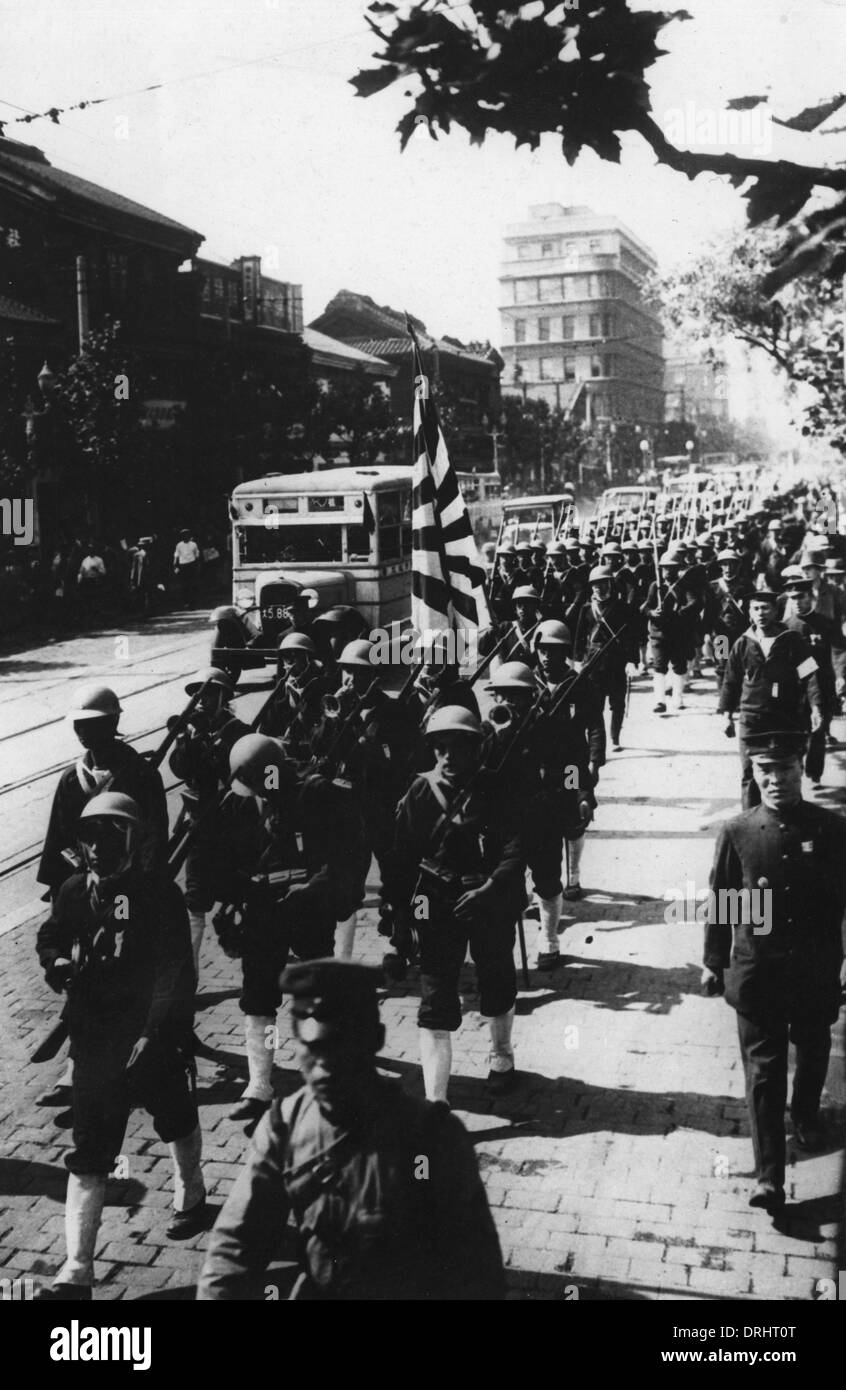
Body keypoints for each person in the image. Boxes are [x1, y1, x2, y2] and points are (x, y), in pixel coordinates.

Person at [196, 960, 505, 1300]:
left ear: (374, 1040)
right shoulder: (285, 1124)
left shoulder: (431, 1135)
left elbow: (476, 1271)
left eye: (336, 1049)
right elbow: (239, 1242)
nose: (323, 1070)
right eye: (311, 1051)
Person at [34, 793, 206, 1300]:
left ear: (132, 840)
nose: (96, 848)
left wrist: (154, 1033)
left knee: (174, 1115)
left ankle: (191, 1194)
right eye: (89, 838)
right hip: (95, 1041)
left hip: (149, 1036)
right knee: (90, 1148)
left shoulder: (158, 894)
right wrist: (57, 963)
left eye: (110, 837)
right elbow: (50, 936)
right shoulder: (71, 891)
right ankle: (77, 1270)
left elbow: (176, 969)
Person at [702, 732, 846, 1213]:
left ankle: (805, 1113)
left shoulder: (832, 830)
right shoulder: (738, 831)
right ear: (754, 775)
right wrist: (713, 961)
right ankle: (769, 1178)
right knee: (763, 1076)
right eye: (764, 771)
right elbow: (721, 901)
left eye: (783, 770)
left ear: (800, 771)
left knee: (812, 1047)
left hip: (814, 971)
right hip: (757, 975)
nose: (774, 779)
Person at [385, 706, 526, 1102]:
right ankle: (437, 1099)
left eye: (458, 748)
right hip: (436, 905)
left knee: (496, 979)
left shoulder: (497, 788)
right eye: (440, 748)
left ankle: (501, 1057)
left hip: (486, 899)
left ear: (476, 749)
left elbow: (515, 849)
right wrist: (398, 912)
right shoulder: (419, 791)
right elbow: (401, 857)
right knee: (434, 996)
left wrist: (492, 889)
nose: (448, 757)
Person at [718, 590, 824, 809]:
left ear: (775, 611)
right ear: (750, 613)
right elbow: (731, 680)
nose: (761, 613)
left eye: (765, 608)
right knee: (750, 774)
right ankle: (751, 824)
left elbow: (810, 674)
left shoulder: (792, 640)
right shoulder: (742, 643)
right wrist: (726, 715)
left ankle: (789, 824)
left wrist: (816, 707)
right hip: (752, 719)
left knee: (787, 771)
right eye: (755, 609)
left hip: (785, 718)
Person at [173, 528, 201, 608]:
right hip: (183, 566)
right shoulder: (179, 545)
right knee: (184, 585)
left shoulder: (193, 544)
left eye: (187, 535)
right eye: (183, 535)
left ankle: (193, 602)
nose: (185, 536)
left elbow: (197, 556)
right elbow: (176, 556)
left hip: (191, 565)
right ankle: (186, 601)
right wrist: (175, 566)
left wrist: (198, 566)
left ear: (189, 536)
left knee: (192, 584)